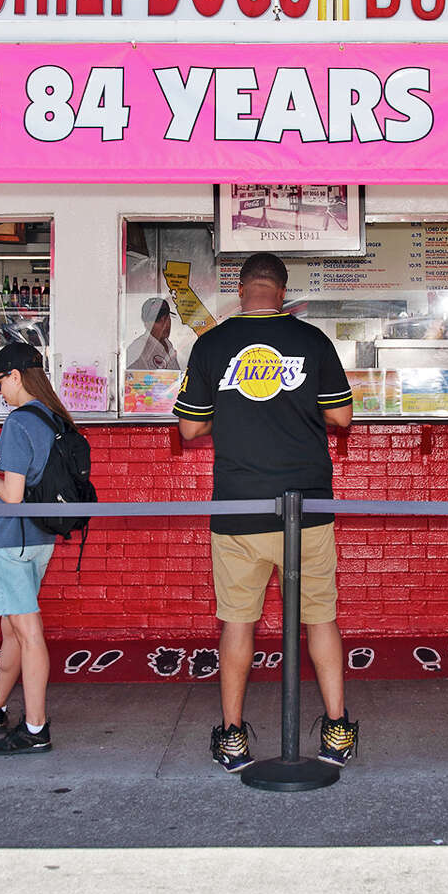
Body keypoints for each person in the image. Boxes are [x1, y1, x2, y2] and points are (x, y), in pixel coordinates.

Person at [175, 252, 357, 773]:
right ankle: (338, 731)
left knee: (237, 623)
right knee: (320, 618)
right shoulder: (312, 341)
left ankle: (233, 737)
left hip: (239, 506)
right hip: (310, 508)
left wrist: (229, 416)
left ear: (239, 289)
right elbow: (342, 416)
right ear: (282, 290)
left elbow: (189, 428)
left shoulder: (210, 345)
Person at [0, 342, 70, 756]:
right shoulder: (52, 417)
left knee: (28, 632)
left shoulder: (19, 421)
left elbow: (14, 496)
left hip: (10, 540)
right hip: (40, 539)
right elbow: (32, 476)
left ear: (16, 377)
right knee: (13, 630)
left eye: (0, 381)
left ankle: (36, 727)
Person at [125, 297, 181, 370]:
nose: (165, 324)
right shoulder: (139, 346)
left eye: (166, 318)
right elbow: (125, 376)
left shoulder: (169, 345)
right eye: (158, 320)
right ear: (147, 324)